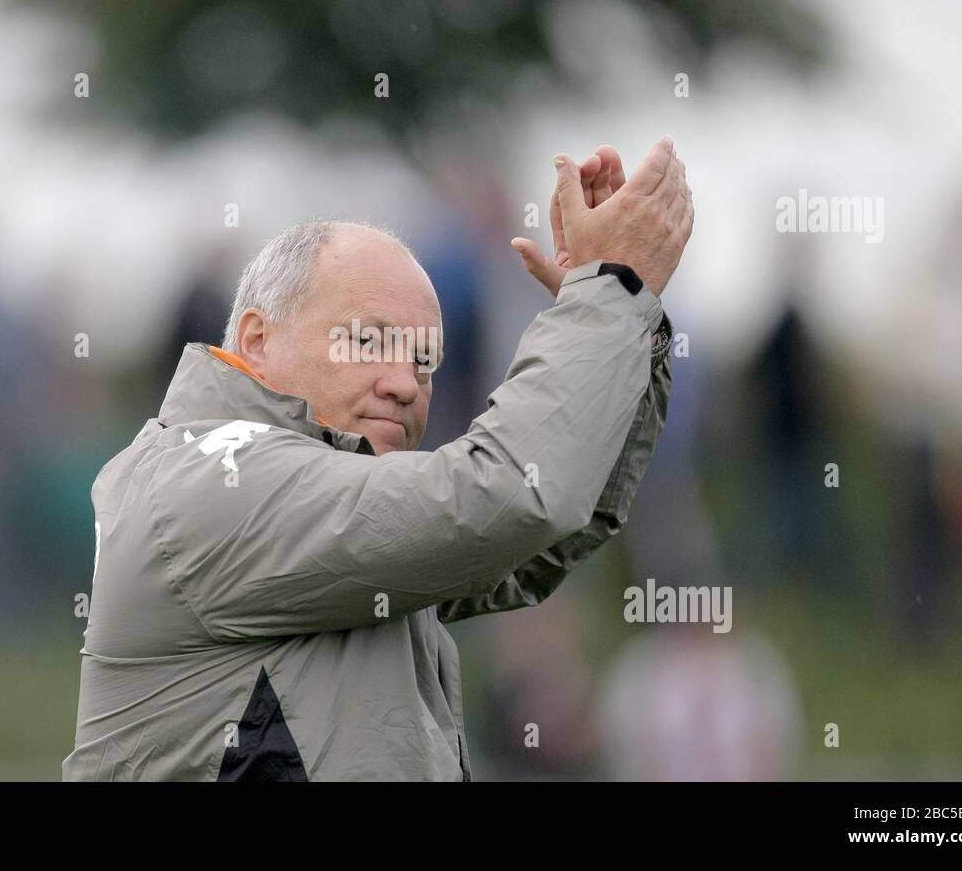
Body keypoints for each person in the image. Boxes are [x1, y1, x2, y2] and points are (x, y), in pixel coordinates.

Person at [62, 137, 693, 780]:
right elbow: (507, 495)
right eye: (367, 340)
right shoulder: (208, 477)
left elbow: (545, 526)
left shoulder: (329, 508)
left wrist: (621, 327)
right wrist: (609, 295)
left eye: (424, 359)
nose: (404, 382)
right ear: (256, 339)